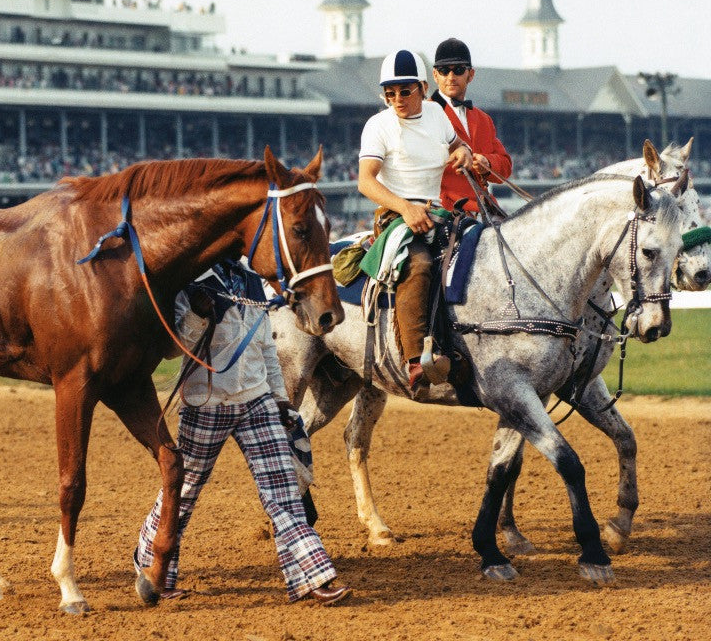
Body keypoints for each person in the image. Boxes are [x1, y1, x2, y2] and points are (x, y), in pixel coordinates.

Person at [134, 258, 352, 607]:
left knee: (284, 494)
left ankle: (314, 578)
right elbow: (173, 350)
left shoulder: (252, 278)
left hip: (257, 400)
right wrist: (196, 314)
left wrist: (281, 400)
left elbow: (266, 345)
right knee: (185, 493)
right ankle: (151, 563)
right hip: (207, 403)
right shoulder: (191, 278)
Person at [357, 49, 473, 390]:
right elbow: (365, 181)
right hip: (396, 215)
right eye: (389, 92)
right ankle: (415, 360)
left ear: (423, 88)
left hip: (437, 213)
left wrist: (463, 152)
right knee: (420, 264)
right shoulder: (378, 125)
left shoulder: (437, 114)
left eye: (404, 91)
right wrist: (406, 209)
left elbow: (457, 144)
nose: (396, 99)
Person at [429, 38, 512, 215]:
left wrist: (487, 163)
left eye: (458, 70)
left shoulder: (483, 119)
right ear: (435, 75)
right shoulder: (426, 114)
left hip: (486, 208)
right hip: (447, 210)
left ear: (470, 75)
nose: (451, 77)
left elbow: (505, 166)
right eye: (444, 71)